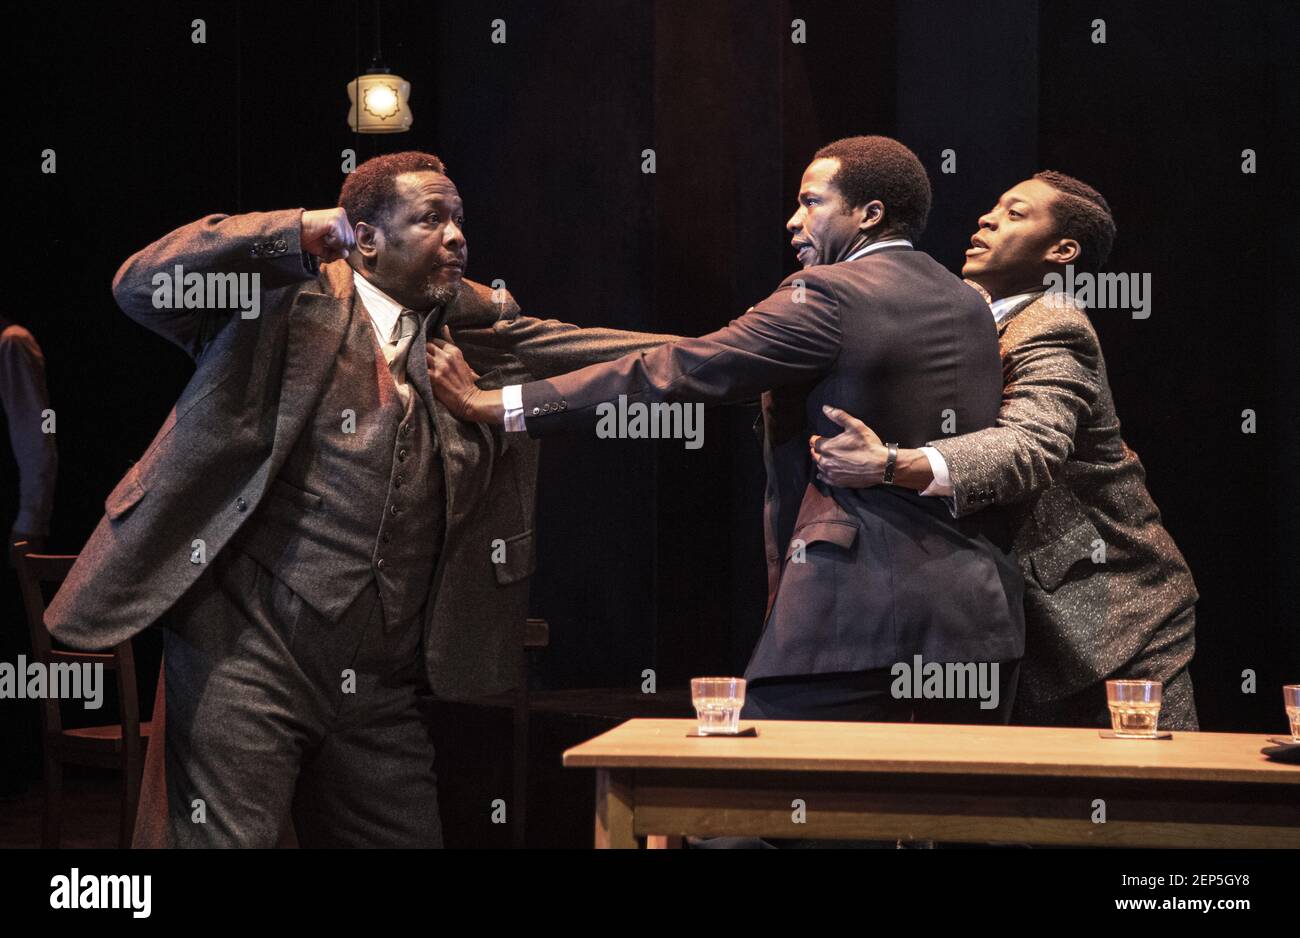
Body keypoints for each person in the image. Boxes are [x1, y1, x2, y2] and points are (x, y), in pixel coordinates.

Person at [44, 151, 674, 847]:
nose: (458, 235)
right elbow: (142, 286)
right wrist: (291, 231)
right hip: (247, 656)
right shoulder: (282, 301)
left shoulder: (471, 339)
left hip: (378, 681)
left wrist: (771, 353)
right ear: (364, 237)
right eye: (432, 218)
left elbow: (625, 362)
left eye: (460, 219)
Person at [429, 136, 1024, 724]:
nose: (794, 222)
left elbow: (679, 370)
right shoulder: (969, 300)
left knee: (763, 796)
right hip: (978, 622)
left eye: (812, 203)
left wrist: (495, 403)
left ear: (869, 215)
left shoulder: (825, 294)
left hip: (854, 619)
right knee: (947, 813)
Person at [810, 171, 1198, 730]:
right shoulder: (960, 315)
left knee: (1157, 805)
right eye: (993, 207)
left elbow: (1030, 445)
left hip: (1113, 622)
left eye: (1016, 213)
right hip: (1011, 616)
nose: (987, 218)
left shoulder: (1054, 323)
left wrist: (890, 465)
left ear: (1062, 251)